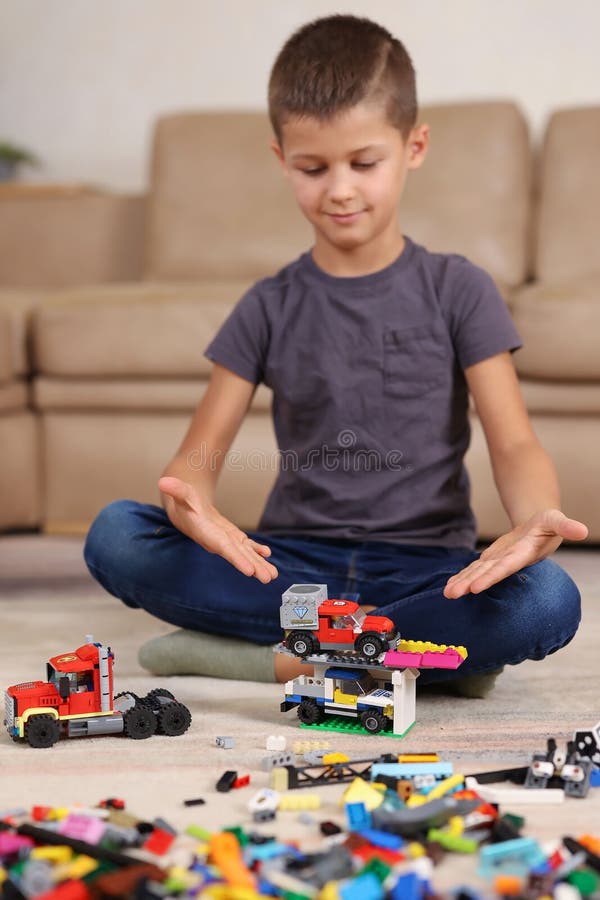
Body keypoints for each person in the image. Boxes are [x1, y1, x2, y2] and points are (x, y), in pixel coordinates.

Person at [84, 14, 588, 696]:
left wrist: (534, 521)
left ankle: (286, 658)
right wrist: (189, 504)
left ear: (415, 146)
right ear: (281, 159)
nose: (340, 190)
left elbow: (515, 443)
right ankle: (421, 652)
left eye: (364, 162)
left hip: (427, 567)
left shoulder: (459, 288)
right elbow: (197, 459)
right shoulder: (267, 304)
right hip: (292, 568)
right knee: (116, 534)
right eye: (313, 168)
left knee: (547, 599)